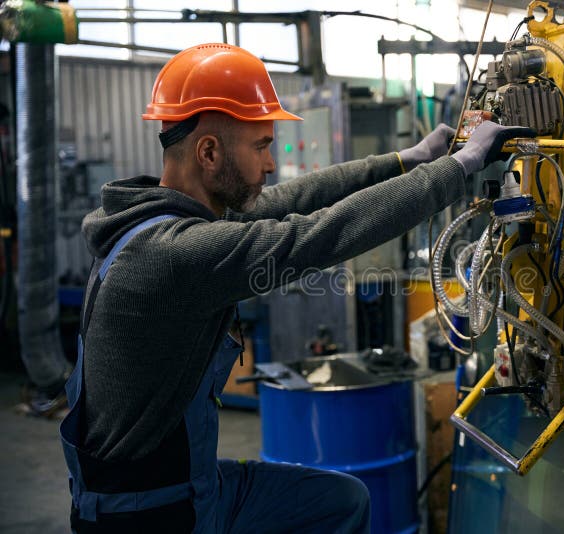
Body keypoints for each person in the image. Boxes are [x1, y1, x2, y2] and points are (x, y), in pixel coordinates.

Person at [60, 42, 531, 533]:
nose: (269, 164)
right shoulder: (173, 254)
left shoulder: (162, 220)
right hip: (148, 516)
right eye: (261, 146)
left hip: (183, 484)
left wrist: (407, 161)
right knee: (337, 503)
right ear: (209, 151)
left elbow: (293, 200)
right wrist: (458, 168)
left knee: (340, 501)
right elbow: (312, 236)